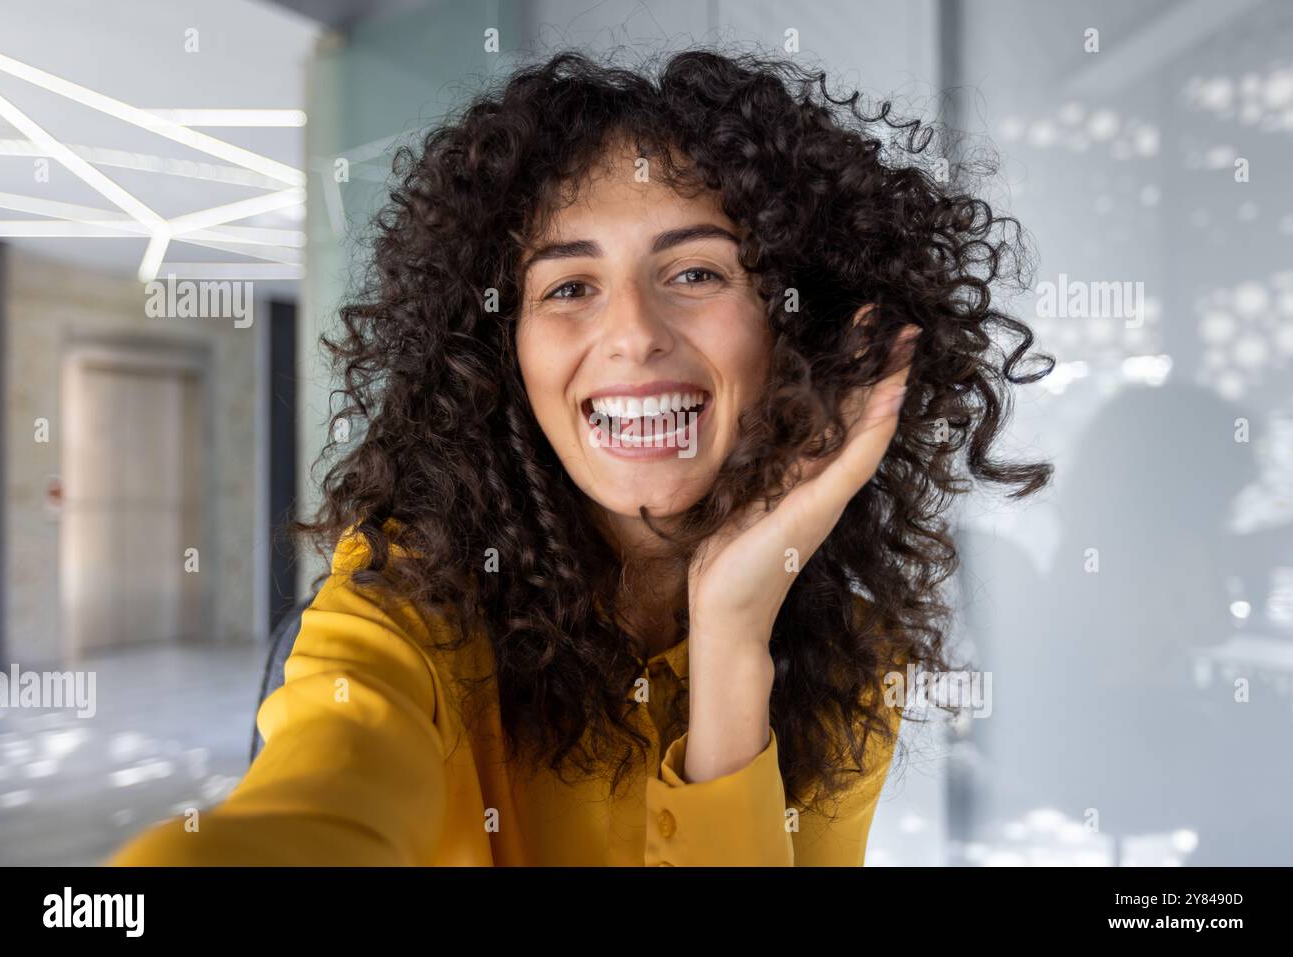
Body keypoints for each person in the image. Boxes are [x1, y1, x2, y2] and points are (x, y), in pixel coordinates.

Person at [107, 48, 1051, 866]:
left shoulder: (850, 657)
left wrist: (732, 635)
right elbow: (313, 810)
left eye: (695, 273)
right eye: (569, 286)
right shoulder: (405, 608)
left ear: (790, 328)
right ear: (502, 350)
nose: (633, 333)